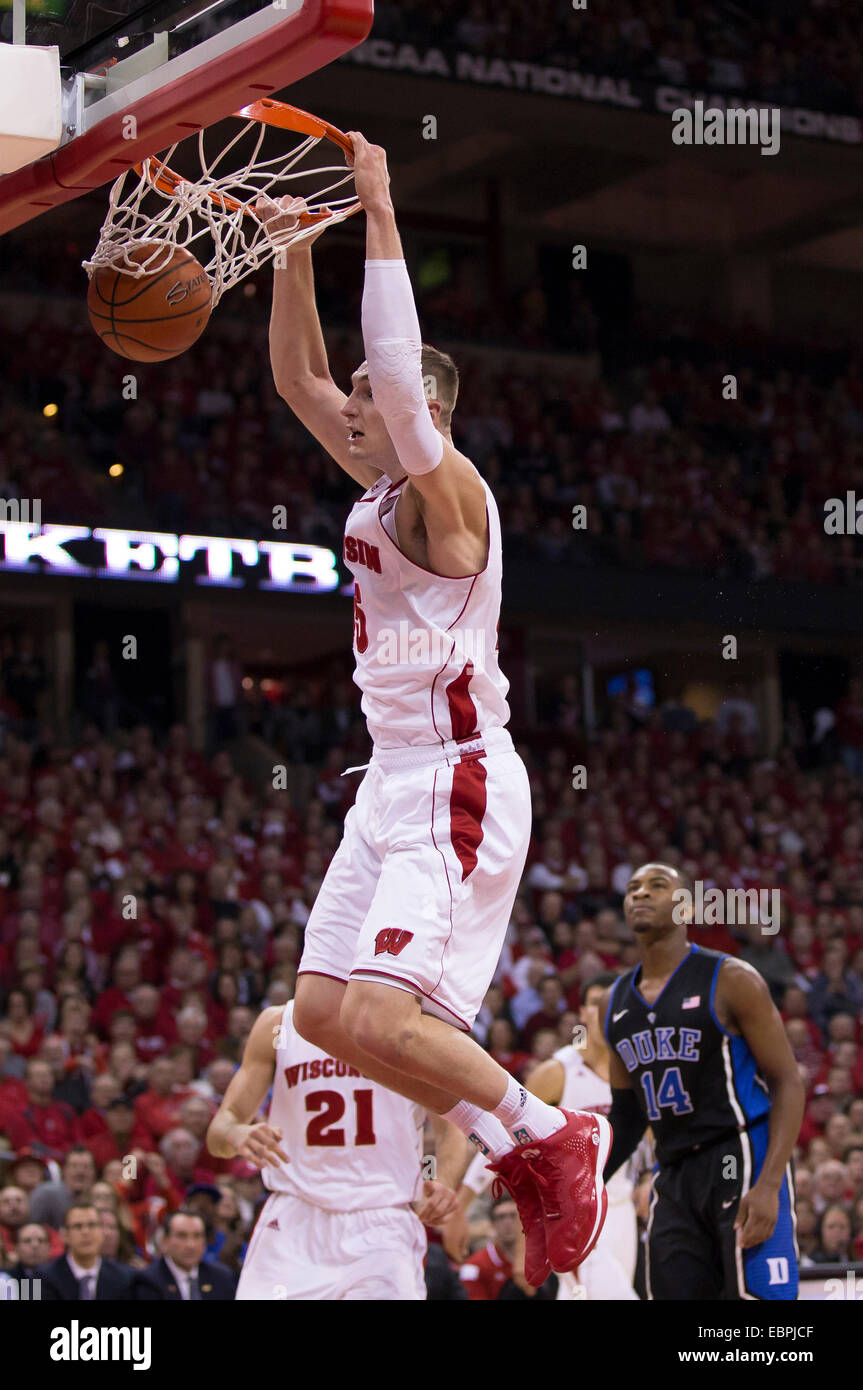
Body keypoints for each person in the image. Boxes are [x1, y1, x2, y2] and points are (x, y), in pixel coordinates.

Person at [259, 131, 608, 1285]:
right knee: (320, 1013)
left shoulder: (447, 496)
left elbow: (389, 379)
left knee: (377, 1006)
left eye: (372, 397)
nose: (348, 406)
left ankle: (544, 1129)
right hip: (390, 777)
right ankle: (514, 1135)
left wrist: (375, 205)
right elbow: (294, 381)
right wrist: (290, 247)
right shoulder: (376, 488)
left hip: (458, 775)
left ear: (425, 412)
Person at [601, 862, 805, 1300]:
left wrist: (770, 1184)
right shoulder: (614, 1001)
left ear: (685, 906)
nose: (640, 894)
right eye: (633, 888)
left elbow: (788, 1081)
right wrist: (588, 1181)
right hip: (672, 1172)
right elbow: (628, 1114)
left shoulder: (731, 978)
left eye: (657, 886)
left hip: (740, 1154)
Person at [207, 1000, 464, 1299]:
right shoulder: (279, 1024)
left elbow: (450, 1128)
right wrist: (237, 1132)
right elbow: (219, 1133)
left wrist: (440, 1178)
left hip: (382, 1219)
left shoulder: (413, 1025)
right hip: (295, 1216)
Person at [455, 972, 639, 1300]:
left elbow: (651, 1138)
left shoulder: (633, 1069)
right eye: (597, 1004)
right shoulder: (557, 1071)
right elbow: (505, 1138)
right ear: (581, 1012)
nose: (605, 1013)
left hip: (622, 1204)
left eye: (613, 1005)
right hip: (574, 1207)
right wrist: (465, 1198)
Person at [459, 1196, 558, 1300]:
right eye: (501, 1217)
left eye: (513, 1216)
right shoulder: (474, 1266)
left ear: (523, 1222)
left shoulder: (544, 1260)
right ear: (492, 1224)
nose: (508, 1222)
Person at [38, 1202, 135, 1299]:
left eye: (92, 1225)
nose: (85, 1232)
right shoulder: (41, 1277)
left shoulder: (124, 1277)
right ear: (64, 1235)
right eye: (77, 1226)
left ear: (101, 1232)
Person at [134, 1209, 236, 1300]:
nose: (190, 1245)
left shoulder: (221, 1277)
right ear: (164, 1241)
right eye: (182, 1236)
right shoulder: (149, 1280)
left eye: (197, 1236)